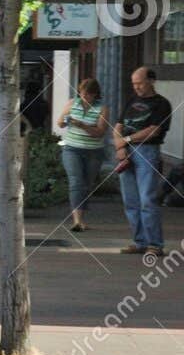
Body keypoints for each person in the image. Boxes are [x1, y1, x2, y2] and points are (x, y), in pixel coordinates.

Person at [114, 66, 172, 257]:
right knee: (130, 200)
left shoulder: (162, 104)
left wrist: (127, 140)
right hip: (126, 152)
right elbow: (118, 126)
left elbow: (153, 131)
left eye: (140, 83)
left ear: (151, 81)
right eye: (134, 83)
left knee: (147, 199)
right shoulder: (131, 100)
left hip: (147, 151)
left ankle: (154, 244)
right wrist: (120, 146)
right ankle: (140, 242)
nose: (136, 87)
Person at [57, 77, 109, 232]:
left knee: (87, 184)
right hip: (72, 149)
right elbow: (60, 122)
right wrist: (67, 120)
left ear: (95, 94)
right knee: (76, 182)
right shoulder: (72, 103)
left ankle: (82, 219)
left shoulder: (102, 108)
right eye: (82, 94)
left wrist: (82, 125)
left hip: (94, 151)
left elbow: (100, 132)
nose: (84, 97)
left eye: (88, 95)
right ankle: (77, 221)